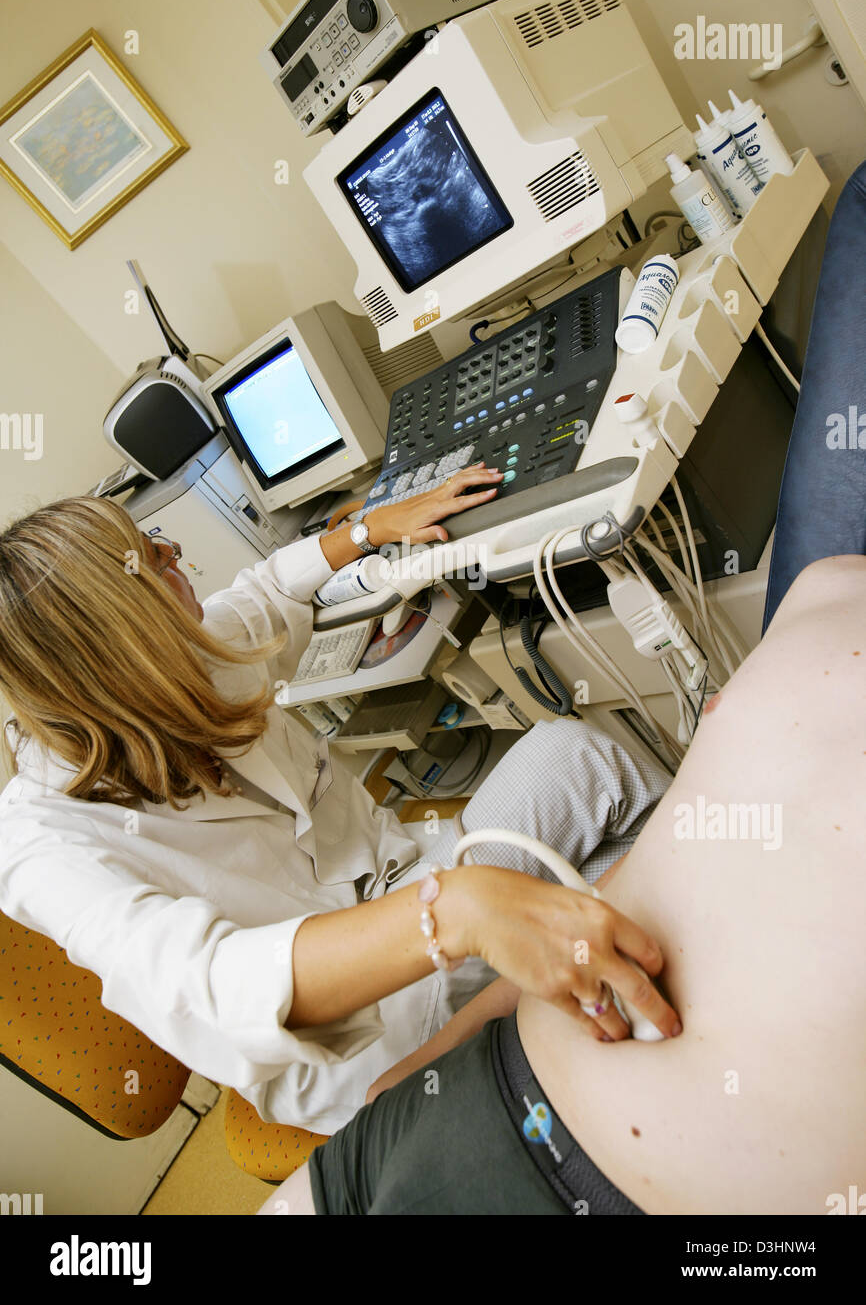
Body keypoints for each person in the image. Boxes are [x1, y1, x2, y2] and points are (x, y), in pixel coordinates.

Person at [0, 466, 673, 1136]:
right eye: (156, 560)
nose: (179, 561)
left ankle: (501, 1014)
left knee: (587, 809)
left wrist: (365, 529)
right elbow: (207, 984)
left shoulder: (175, 661)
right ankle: (453, 1064)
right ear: (125, 633)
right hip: (359, 1031)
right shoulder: (42, 846)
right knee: (601, 825)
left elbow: (264, 594)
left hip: (406, 887)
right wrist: (455, 912)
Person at [259, 550, 866, 1214]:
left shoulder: (355, 1170)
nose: (175, 555)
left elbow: (394, 1094)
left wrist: (452, 1037)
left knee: (823, 579)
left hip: (484, 1044)